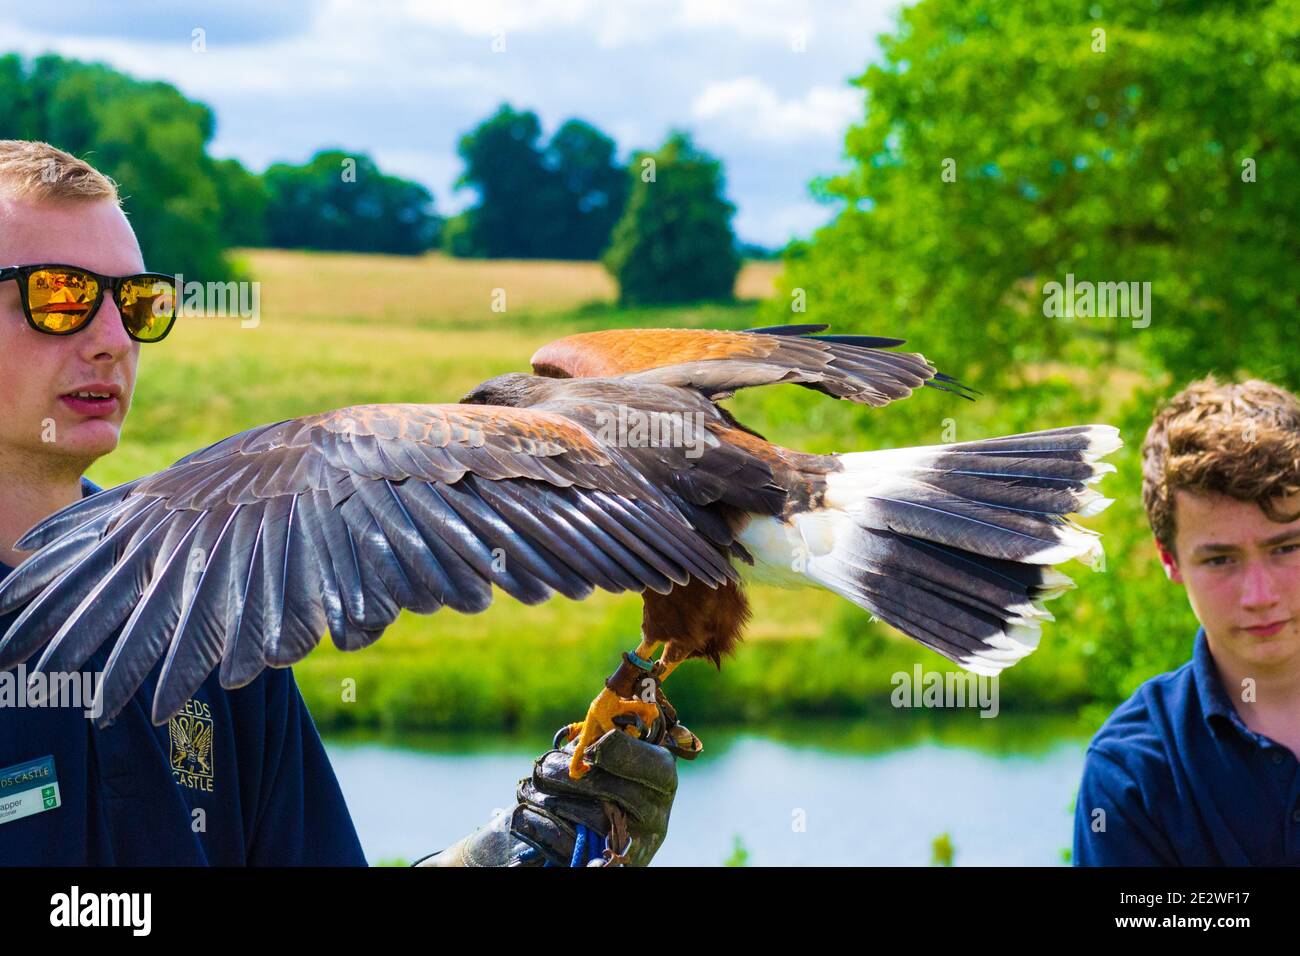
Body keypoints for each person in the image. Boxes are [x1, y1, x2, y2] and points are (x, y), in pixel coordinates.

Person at [0, 139, 678, 866]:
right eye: (59, 296)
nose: (112, 340)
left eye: (135, 302)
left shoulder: (204, 601)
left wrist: (508, 858)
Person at [1072, 376, 1300, 865]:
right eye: (1220, 560)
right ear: (1169, 559)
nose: (1259, 596)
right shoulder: (1129, 773)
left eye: (1286, 548)